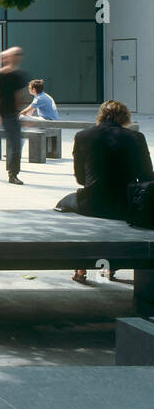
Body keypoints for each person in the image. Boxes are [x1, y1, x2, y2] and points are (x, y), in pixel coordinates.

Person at [56, 100, 154, 282]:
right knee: (116, 217)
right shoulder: (135, 138)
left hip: (92, 202)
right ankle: (112, 267)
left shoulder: (83, 135)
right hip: (125, 203)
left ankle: (80, 266)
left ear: (101, 116)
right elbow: (147, 176)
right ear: (124, 117)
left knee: (63, 203)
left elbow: (80, 178)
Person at [0, 47, 29, 185]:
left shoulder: (19, 75)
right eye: (14, 54)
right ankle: (12, 173)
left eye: (18, 54)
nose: (17, 57)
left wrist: (24, 114)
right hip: (3, 113)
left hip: (13, 114)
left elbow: (21, 95)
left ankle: (12, 172)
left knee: (16, 143)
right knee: (15, 143)